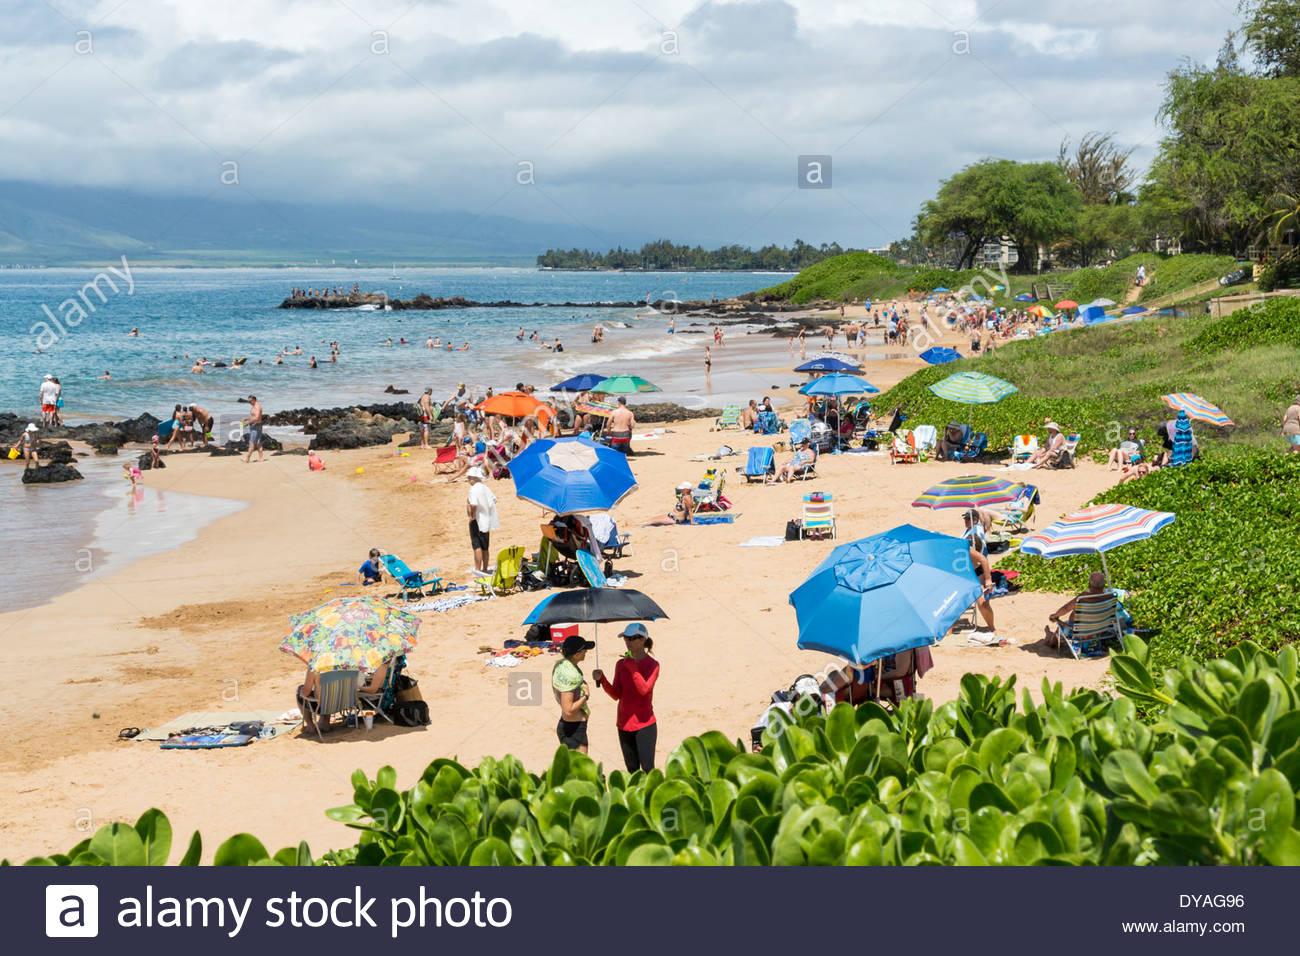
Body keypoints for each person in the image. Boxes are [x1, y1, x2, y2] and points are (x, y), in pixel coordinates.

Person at [593, 623, 660, 772]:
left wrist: (632, 668)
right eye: (625, 638)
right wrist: (602, 679)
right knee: (632, 770)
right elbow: (616, 694)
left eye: (631, 638)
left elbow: (644, 690)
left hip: (645, 725)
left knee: (648, 769)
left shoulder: (653, 665)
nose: (627, 642)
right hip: (623, 724)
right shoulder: (621, 664)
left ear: (642, 640)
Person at [1045, 571, 1109, 649]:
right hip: (1099, 629)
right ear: (1104, 584)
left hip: (1079, 631)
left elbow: (1066, 608)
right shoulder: (1109, 595)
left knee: (1061, 627)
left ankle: (1050, 638)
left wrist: (1055, 616)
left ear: (1089, 584)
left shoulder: (1084, 597)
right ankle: (1049, 634)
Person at [552, 634, 594, 753]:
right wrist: (586, 696)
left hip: (569, 725)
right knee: (581, 769)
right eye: (584, 650)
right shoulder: (570, 675)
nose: (586, 652)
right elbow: (568, 709)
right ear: (577, 654)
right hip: (573, 729)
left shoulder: (561, 665)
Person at [466, 466, 499, 573]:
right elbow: (494, 500)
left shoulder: (473, 489)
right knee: (485, 546)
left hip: (477, 521)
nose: (468, 480)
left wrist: (472, 516)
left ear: (474, 478)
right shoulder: (485, 487)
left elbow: (473, 504)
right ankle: (485, 568)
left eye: (469, 478)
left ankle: (477, 569)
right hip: (486, 520)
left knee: (477, 546)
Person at [243, 395, 264, 463]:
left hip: (256, 426)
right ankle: (261, 458)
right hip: (257, 426)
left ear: (254, 400)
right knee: (258, 443)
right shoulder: (255, 406)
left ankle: (247, 459)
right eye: (248, 401)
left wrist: (248, 423)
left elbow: (257, 418)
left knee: (251, 443)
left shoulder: (257, 407)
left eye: (250, 401)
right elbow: (253, 416)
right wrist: (246, 418)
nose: (249, 402)